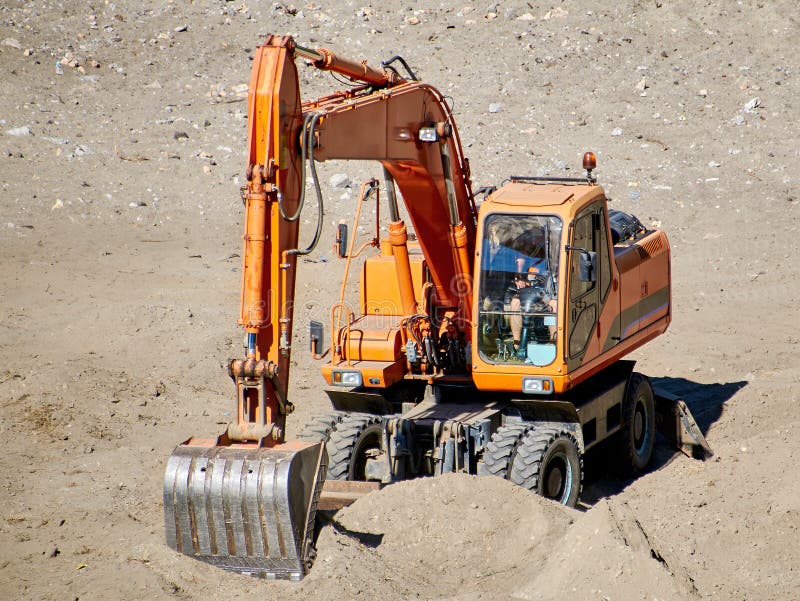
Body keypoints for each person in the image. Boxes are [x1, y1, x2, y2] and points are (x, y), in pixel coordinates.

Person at [506, 265, 557, 358]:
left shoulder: (551, 262)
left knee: (554, 304)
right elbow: (520, 269)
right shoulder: (530, 260)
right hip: (529, 293)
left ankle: (553, 343)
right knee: (515, 302)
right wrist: (520, 278)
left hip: (547, 295)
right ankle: (517, 344)